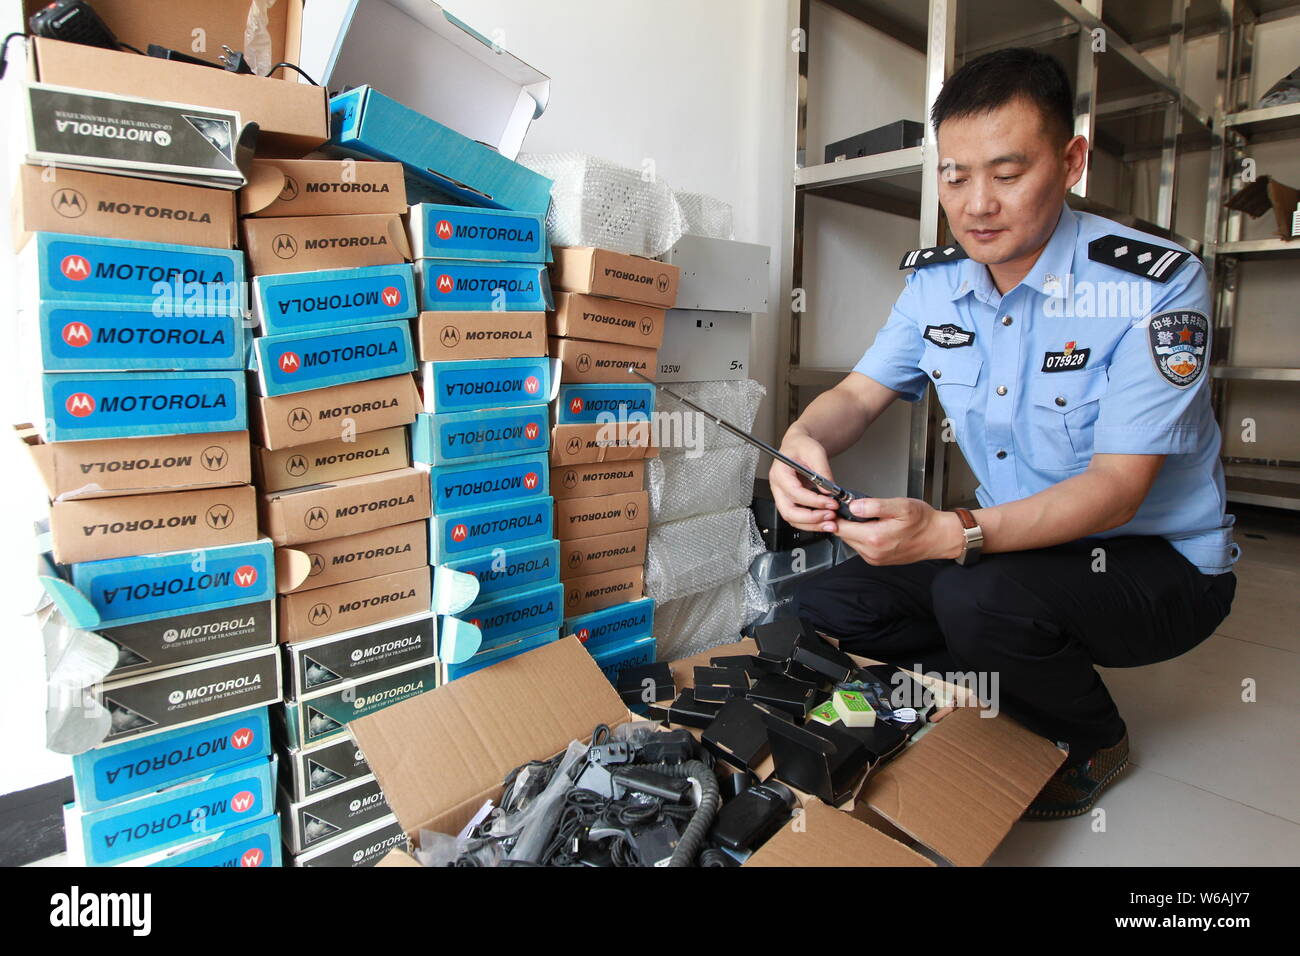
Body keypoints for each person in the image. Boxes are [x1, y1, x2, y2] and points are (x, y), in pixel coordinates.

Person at [772, 48, 1239, 819]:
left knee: (978, 598)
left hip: (1159, 563)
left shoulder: (1151, 284)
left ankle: (1093, 736)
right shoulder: (937, 285)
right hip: (1017, 544)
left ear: (1071, 161)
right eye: (954, 175)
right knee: (828, 606)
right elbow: (856, 396)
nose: (975, 203)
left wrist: (953, 533)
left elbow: (1120, 492)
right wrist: (801, 440)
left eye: (1007, 172)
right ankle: (996, 683)